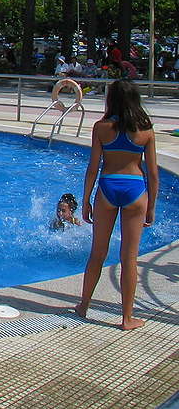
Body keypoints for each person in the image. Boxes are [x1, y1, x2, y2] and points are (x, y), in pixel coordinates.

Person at [74, 80, 159, 330]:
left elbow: (93, 168)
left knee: (97, 253)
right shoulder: (146, 130)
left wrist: (87, 199)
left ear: (111, 99)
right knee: (129, 258)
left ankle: (83, 305)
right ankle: (127, 318)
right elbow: (153, 174)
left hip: (108, 187)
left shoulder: (101, 127)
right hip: (135, 189)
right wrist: (151, 206)